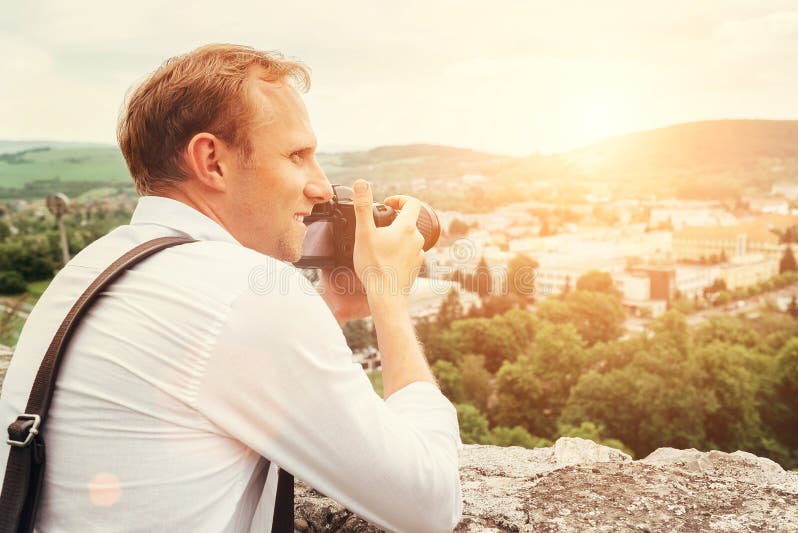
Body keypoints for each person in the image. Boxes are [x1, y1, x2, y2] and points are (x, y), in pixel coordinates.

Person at [0, 44, 462, 532]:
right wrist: (389, 299)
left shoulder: (90, 269)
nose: (323, 187)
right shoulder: (245, 296)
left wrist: (335, 307)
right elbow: (429, 505)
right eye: (297, 156)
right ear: (212, 161)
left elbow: (220, 365)